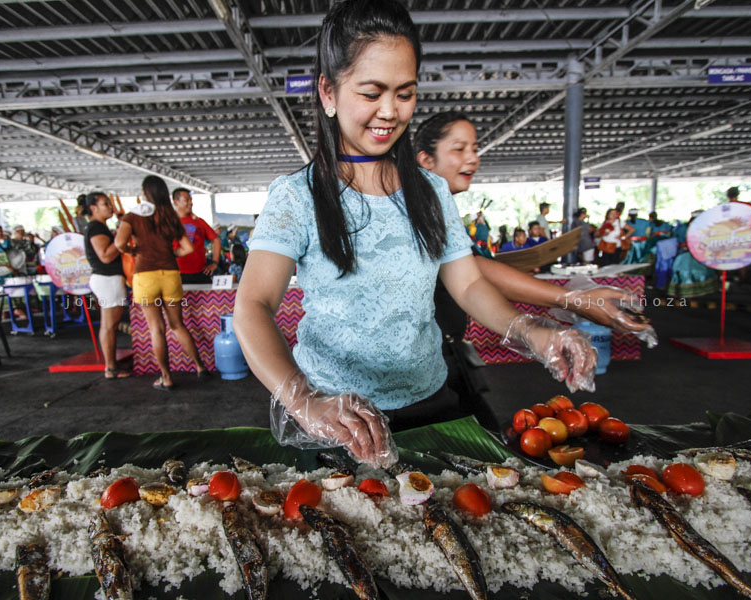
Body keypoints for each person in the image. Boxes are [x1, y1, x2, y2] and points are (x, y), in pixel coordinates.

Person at [234, 1, 640, 468]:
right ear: (328, 92)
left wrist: (532, 331)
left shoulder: (429, 191)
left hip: (431, 404)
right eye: (372, 93)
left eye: (404, 93)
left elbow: (467, 284)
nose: (390, 111)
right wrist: (305, 400)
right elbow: (253, 306)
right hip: (338, 419)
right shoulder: (296, 196)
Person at [413, 109, 652, 339]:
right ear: (426, 160)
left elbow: (473, 271)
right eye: (459, 149)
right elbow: (475, 273)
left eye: (475, 149)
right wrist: (573, 300)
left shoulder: (439, 207)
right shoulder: (421, 208)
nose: (473, 158)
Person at [115, 175, 208, 390]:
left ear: (145, 193)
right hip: (171, 275)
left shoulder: (132, 216)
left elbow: (119, 243)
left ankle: (166, 377)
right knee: (177, 325)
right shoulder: (170, 217)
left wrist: (133, 251)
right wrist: (169, 253)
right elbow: (188, 248)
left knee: (156, 329)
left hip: (145, 276)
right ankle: (200, 366)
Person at [83, 192, 131, 379]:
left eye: (109, 203)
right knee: (110, 326)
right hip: (107, 279)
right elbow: (105, 255)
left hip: (108, 279)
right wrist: (121, 237)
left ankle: (111, 367)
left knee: (109, 325)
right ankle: (111, 368)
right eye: (105, 204)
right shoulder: (95, 227)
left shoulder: (99, 227)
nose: (110, 207)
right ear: (93, 208)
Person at [172, 187, 221, 284]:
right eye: (187, 200)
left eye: (191, 200)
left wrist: (215, 263)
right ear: (176, 202)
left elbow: (216, 240)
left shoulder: (199, 222)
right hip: (175, 274)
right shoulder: (168, 223)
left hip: (200, 273)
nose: (190, 203)